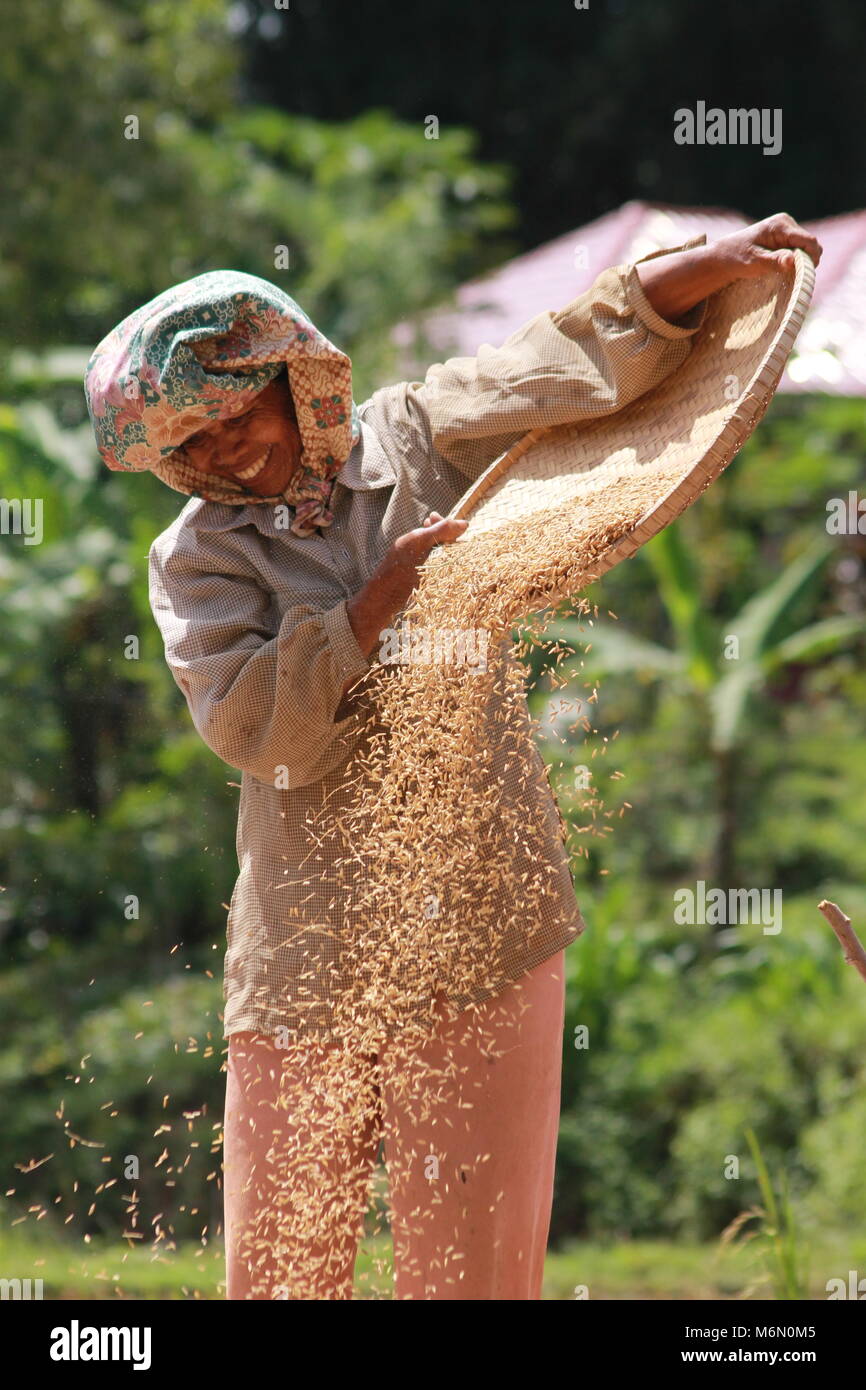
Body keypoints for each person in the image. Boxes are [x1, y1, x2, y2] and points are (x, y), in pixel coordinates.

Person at [84, 212, 821, 1300]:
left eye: (234, 415)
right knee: (285, 1271)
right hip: (308, 941)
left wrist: (685, 277)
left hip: (485, 911)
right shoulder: (194, 558)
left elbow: (554, 367)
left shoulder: (418, 437)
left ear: (293, 378)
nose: (219, 453)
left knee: (473, 1271)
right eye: (185, 444)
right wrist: (375, 606)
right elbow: (251, 727)